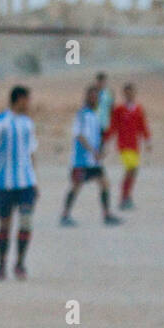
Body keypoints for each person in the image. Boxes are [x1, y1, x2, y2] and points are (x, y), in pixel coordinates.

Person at [0, 85, 38, 280]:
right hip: (4, 183)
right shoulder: (2, 121)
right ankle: (1, 266)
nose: (29, 104)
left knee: (26, 221)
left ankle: (20, 264)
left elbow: (32, 152)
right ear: (19, 99)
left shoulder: (28, 123)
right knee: (5, 224)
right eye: (27, 99)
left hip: (26, 183)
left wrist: (35, 179)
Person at [61, 85, 122, 226]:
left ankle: (107, 214)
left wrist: (101, 151)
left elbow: (99, 136)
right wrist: (91, 150)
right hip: (82, 160)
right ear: (87, 97)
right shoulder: (82, 114)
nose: (94, 99)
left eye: (96, 96)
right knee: (76, 186)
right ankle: (65, 215)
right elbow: (79, 135)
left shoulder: (96, 115)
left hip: (95, 161)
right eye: (92, 96)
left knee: (105, 183)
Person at [105, 82, 152, 210]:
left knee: (134, 171)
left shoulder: (138, 109)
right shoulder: (119, 110)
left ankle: (127, 196)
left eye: (131, 92)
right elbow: (113, 126)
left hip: (134, 145)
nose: (129, 94)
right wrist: (106, 141)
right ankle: (124, 197)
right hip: (124, 144)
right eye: (126, 92)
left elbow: (142, 126)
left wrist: (148, 140)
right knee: (130, 169)